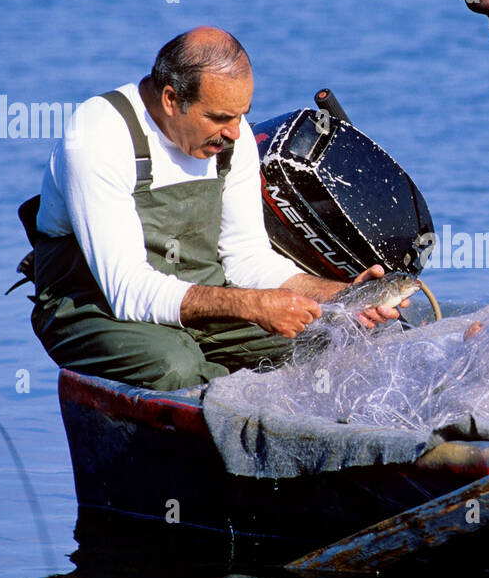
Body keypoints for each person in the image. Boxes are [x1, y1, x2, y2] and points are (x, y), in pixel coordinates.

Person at [29, 26, 402, 390]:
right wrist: (253, 307)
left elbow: (247, 260)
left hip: (202, 299)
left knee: (328, 339)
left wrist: (341, 297)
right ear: (171, 100)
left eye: (241, 115)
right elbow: (128, 290)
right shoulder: (98, 136)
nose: (236, 133)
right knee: (177, 366)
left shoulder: (231, 142)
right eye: (220, 118)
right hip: (93, 309)